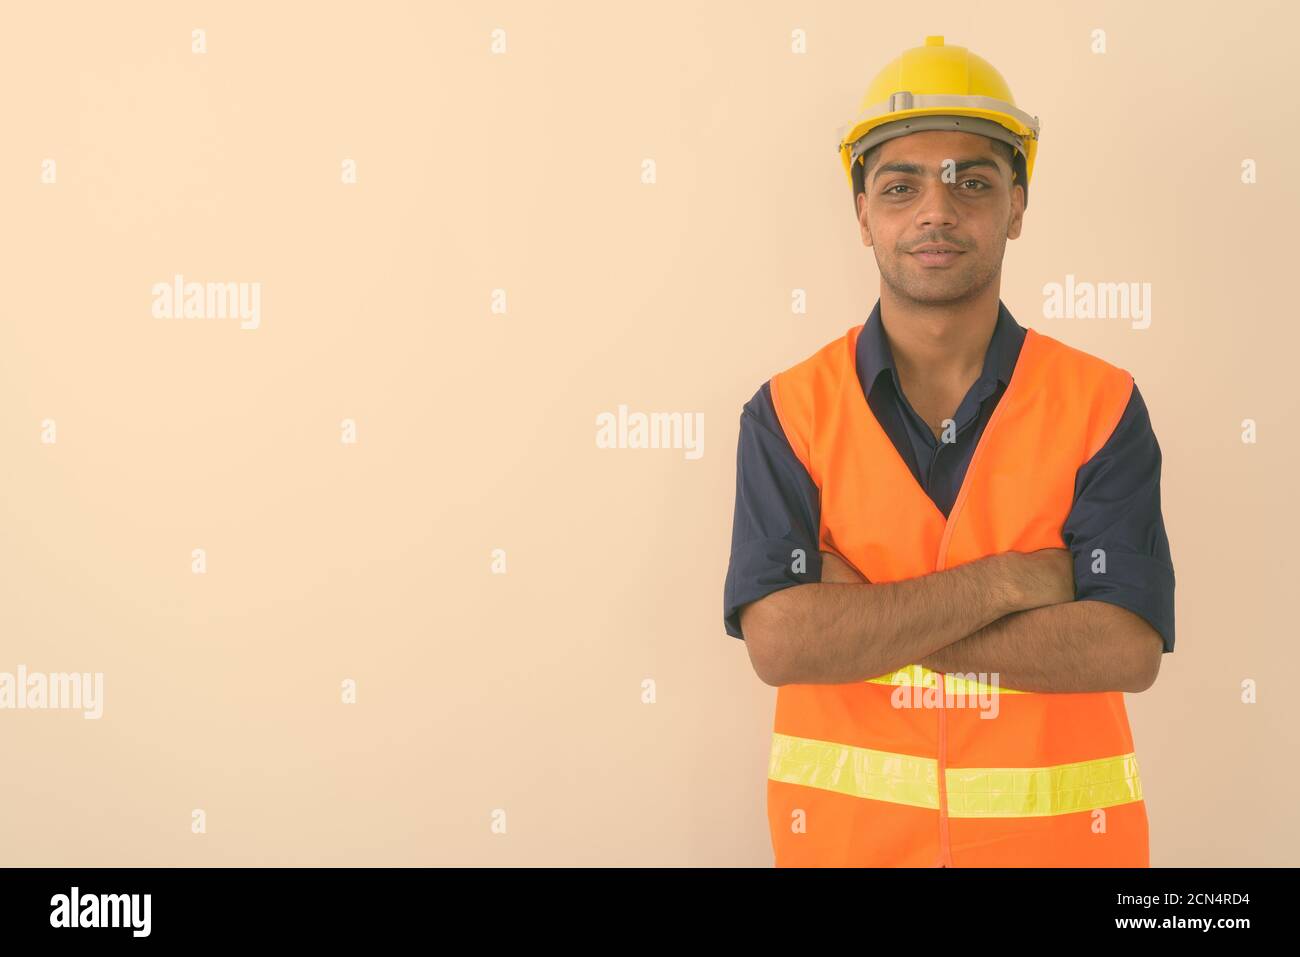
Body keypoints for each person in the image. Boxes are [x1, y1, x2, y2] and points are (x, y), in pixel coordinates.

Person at [722, 36, 1175, 867]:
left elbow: (1126, 647)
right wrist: (1012, 581)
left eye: (974, 179)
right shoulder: (788, 412)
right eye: (902, 185)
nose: (938, 208)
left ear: (1017, 207)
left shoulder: (1101, 404)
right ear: (864, 215)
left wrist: (861, 620)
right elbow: (782, 645)